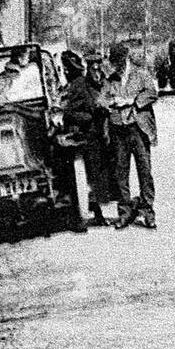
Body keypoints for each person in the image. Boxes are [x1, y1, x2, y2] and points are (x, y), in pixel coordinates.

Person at [100, 42, 160, 231]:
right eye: (114, 62)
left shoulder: (140, 74)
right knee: (121, 173)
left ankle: (148, 212)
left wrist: (133, 101)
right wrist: (112, 102)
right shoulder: (110, 79)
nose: (116, 65)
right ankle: (125, 213)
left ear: (125, 59)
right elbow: (102, 99)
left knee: (145, 171)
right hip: (118, 129)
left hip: (138, 129)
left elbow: (152, 93)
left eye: (119, 61)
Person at [61, 50, 113, 227]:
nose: (96, 69)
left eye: (99, 65)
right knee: (91, 177)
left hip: (106, 136)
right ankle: (92, 214)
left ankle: (101, 211)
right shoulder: (80, 85)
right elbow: (69, 113)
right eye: (93, 66)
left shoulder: (106, 83)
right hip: (89, 137)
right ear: (87, 67)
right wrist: (90, 116)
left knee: (105, 175)